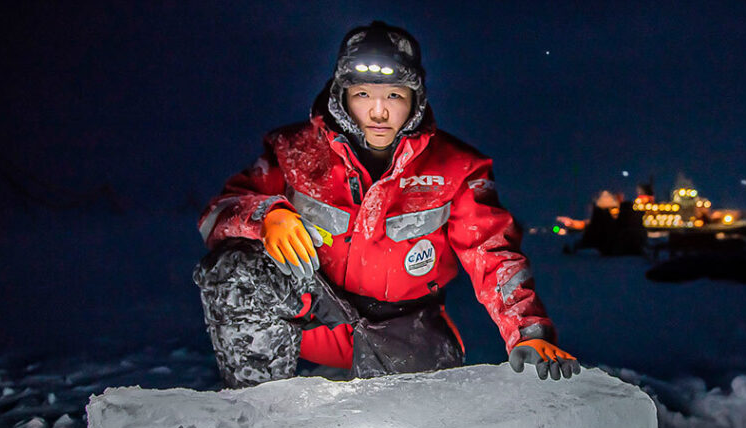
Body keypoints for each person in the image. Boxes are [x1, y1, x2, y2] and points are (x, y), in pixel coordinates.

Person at [194, 21, 579, 386]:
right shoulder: (293, 151)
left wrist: (529, 332)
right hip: (316, 315)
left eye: (394, 95)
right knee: (234, 269)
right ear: (341, 97)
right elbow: (218, 212)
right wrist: (266, 216)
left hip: (405, 329)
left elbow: (493, 253)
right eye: (363, 94)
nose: (379, 112)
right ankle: (259, 413)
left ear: (416, 99)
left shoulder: (458, 169)